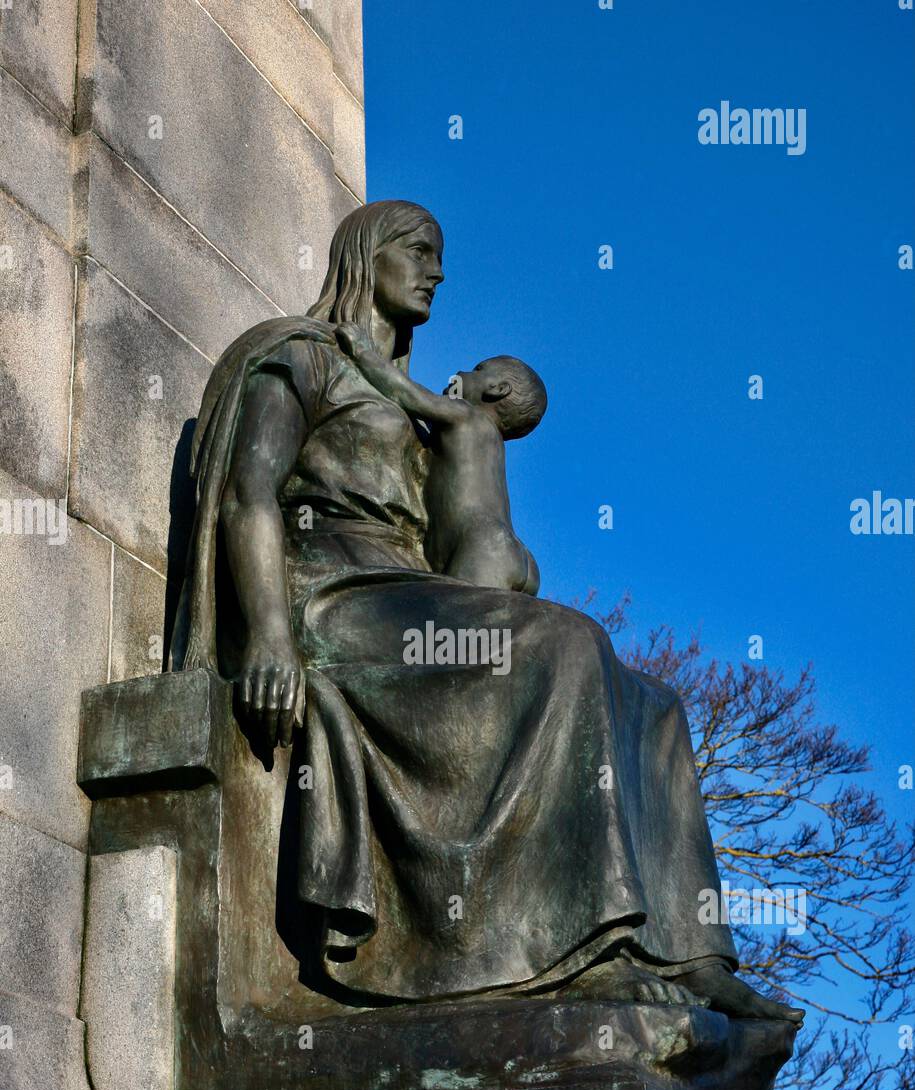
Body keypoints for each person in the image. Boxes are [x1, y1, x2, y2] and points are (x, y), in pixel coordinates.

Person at [170, 199, 802, 1025]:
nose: (437, 271)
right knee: (564, 646)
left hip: (412, 596)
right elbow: (249, 497)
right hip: (333, 595)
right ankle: (579, 949)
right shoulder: (302, 357)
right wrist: (270, 637)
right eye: (420, 251)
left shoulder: (419, 402)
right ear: (365, 254)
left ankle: (690, 954)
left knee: (655, 704)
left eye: (440, 257)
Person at [334, 323, 543, 595]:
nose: (461, 373)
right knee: (496, 636)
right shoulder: (490, 442)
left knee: (458, 630)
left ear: (497, 389)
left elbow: (407, 393)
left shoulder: (465, 415)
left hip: (483, 547)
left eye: (477, 370)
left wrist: (362, 350)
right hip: (517, 555)